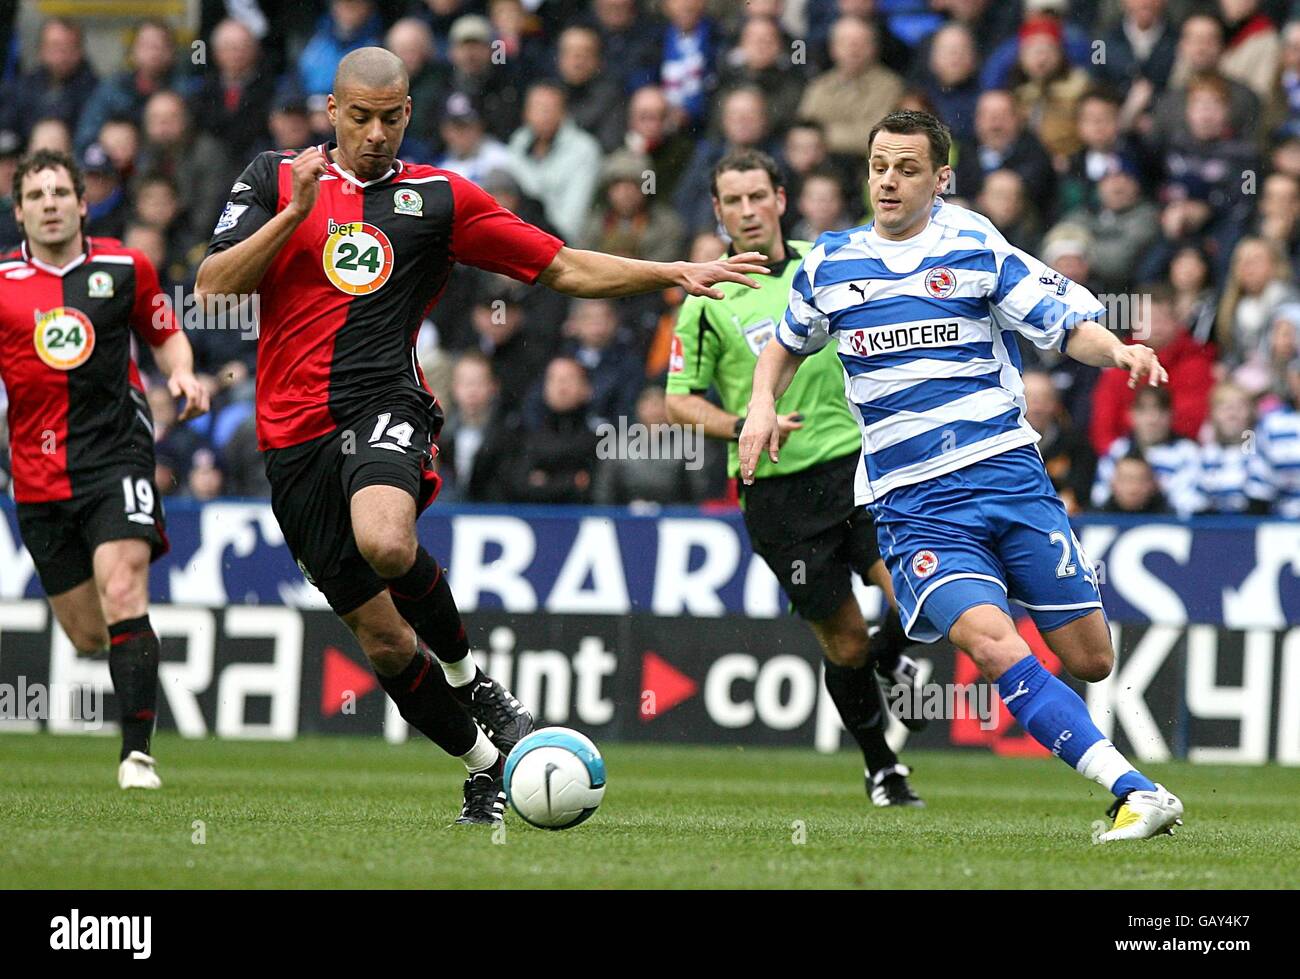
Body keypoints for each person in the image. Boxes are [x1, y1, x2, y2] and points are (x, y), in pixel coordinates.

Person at [193, 47, 765, 826]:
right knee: (385, 640)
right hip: (290, 437)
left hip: (383, 401)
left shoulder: (438, 198)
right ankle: (484, 764)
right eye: (358, 117)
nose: (373, 133)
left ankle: (471, 678)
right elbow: (212, 286)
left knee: (388, 543)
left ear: (408, 115)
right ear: (331, 111)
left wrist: (667, 270)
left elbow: (560, 266)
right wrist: (293, 213)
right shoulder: (272, 176)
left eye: (389, 118)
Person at [742, 110, 1185, 841]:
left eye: (907, 167)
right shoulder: (830, 263)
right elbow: (785, 345)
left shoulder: (976, 244)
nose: (888, 180)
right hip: (914, 506)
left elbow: (1063, 322)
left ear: (941, 178)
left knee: (1092, 658)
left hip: (1008, 476)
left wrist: (1121, 351)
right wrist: (761, 406)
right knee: (992, 641)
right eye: (879, 165)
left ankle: (1125, 777)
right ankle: (1133, 790)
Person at [665, 149, 926, 808]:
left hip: (861, 467)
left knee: (916, 591)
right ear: (719, 211)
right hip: (779, 494)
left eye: (759, 195)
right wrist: (745, 425)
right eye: (734, 201)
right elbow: (677, 401)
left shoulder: (827, 262)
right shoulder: (706, 299)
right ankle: (881, 767)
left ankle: (894, 659)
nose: (748, 211)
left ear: (781, 198)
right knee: (843, 641)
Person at [1, 149, 209, 789]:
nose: (51, 204)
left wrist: (180, 370)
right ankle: (124, 667)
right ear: (19, 213)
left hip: (116, 453)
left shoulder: (125, 266)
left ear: (83, 203)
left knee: (124, 590)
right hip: (36, 476)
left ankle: (136, 756)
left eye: (60, 192)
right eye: (36, 197)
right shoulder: (2, 282)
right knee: (88, 634)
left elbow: (163, 330)